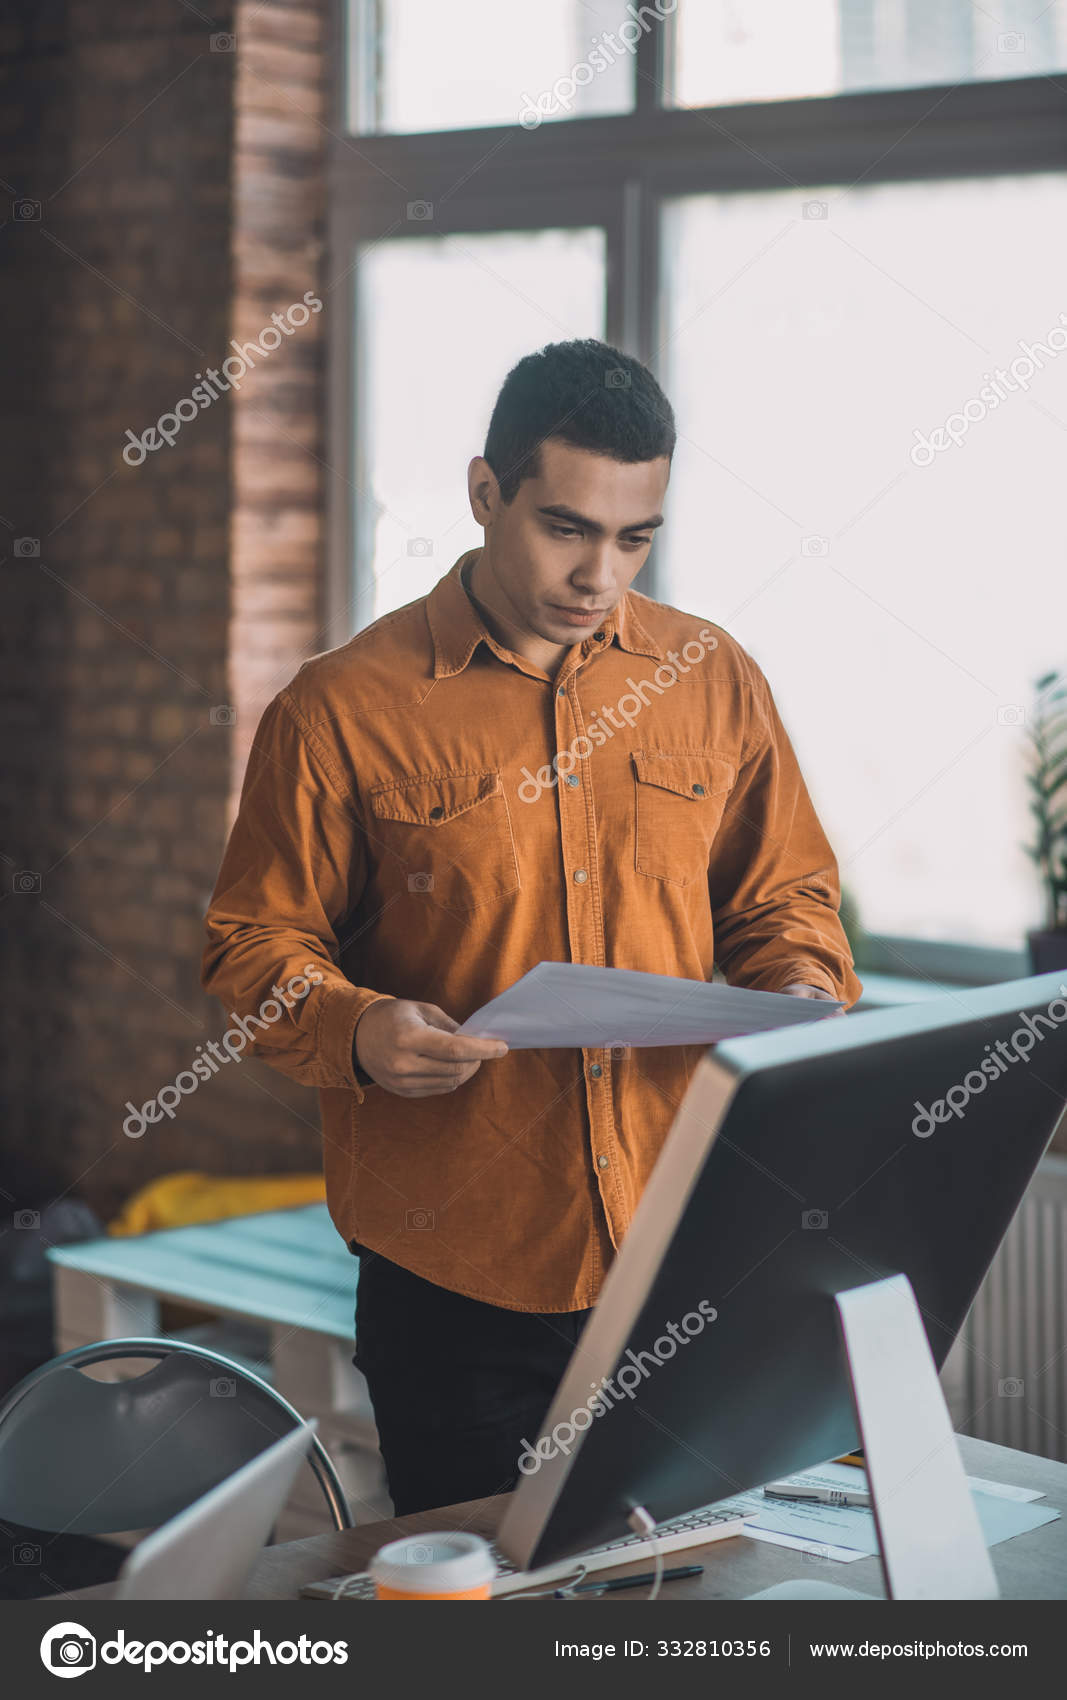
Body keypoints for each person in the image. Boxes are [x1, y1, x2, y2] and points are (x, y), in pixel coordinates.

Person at [201, 338, 862, 1515]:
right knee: (486, 1629)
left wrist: (803, 993)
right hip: (455, 1287)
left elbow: (783, 901)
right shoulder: (341, 708)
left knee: (689, 1600)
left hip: (684, 1258)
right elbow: (251, 946)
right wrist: (356, 1029)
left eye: (632, 536)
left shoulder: (714, 678)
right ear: (482, 493)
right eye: (564, 527)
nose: (597, 573)